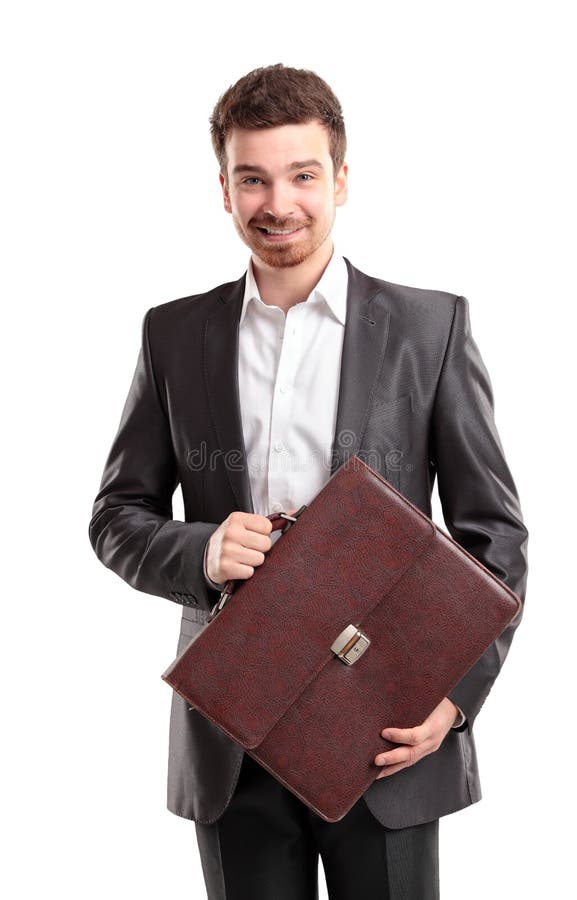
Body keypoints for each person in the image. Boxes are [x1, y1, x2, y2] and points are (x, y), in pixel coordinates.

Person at [89, 64, 528, 900]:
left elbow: (494, 534)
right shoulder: (173, 335)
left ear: (342, 180)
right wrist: (203, 548)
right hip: (232, 736)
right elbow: (116, 516)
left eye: (302, 175)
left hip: (388, 735)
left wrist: (456, 698)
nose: (277, 203)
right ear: (223, 188)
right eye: (251, 178)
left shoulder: (429, 328)